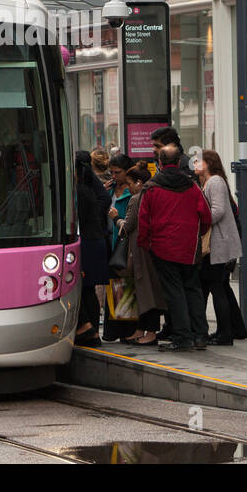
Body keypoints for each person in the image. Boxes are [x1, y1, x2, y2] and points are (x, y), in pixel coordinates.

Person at [137, 143, 211, 352]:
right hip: (189, 247)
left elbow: (144, 221)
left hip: (163, 248)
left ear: (160, 162)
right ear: (179, 162)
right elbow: (206, 216)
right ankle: (200, 335)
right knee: (193, 289)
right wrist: (198, 235)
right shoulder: (192, 186)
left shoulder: (151, 187)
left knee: (174, 292)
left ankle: (183, 336)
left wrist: (145, 244)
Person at [194, 150, 246, 345]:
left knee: (217, 288)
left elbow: (218, 211)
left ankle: (225, 334)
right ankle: (221, 331)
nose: (195, 164)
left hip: (218, 243)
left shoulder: (215, 182)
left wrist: (198, 221)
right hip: (213, 244)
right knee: (213, 286)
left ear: (208, 163)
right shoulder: (208, 182)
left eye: (198, 161)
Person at [120, 163, 165, 345]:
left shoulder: (136, 199)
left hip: (139, 251)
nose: (127, 188)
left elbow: (128, 226)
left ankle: (150, 332)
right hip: (152, 249)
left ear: (139, 183)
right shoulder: (154, 194)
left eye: (129, 183)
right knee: (145, 291)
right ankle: (141, 329)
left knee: (145, 291)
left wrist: (116, 218)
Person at [74, 150, 111, 345]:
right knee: (88, 289)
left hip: (87, 242)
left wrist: (92, 218)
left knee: (81, 287)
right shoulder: (89, 183)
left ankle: (86, 326)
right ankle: (93, 332)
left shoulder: (80, 188)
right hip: (94, 239)